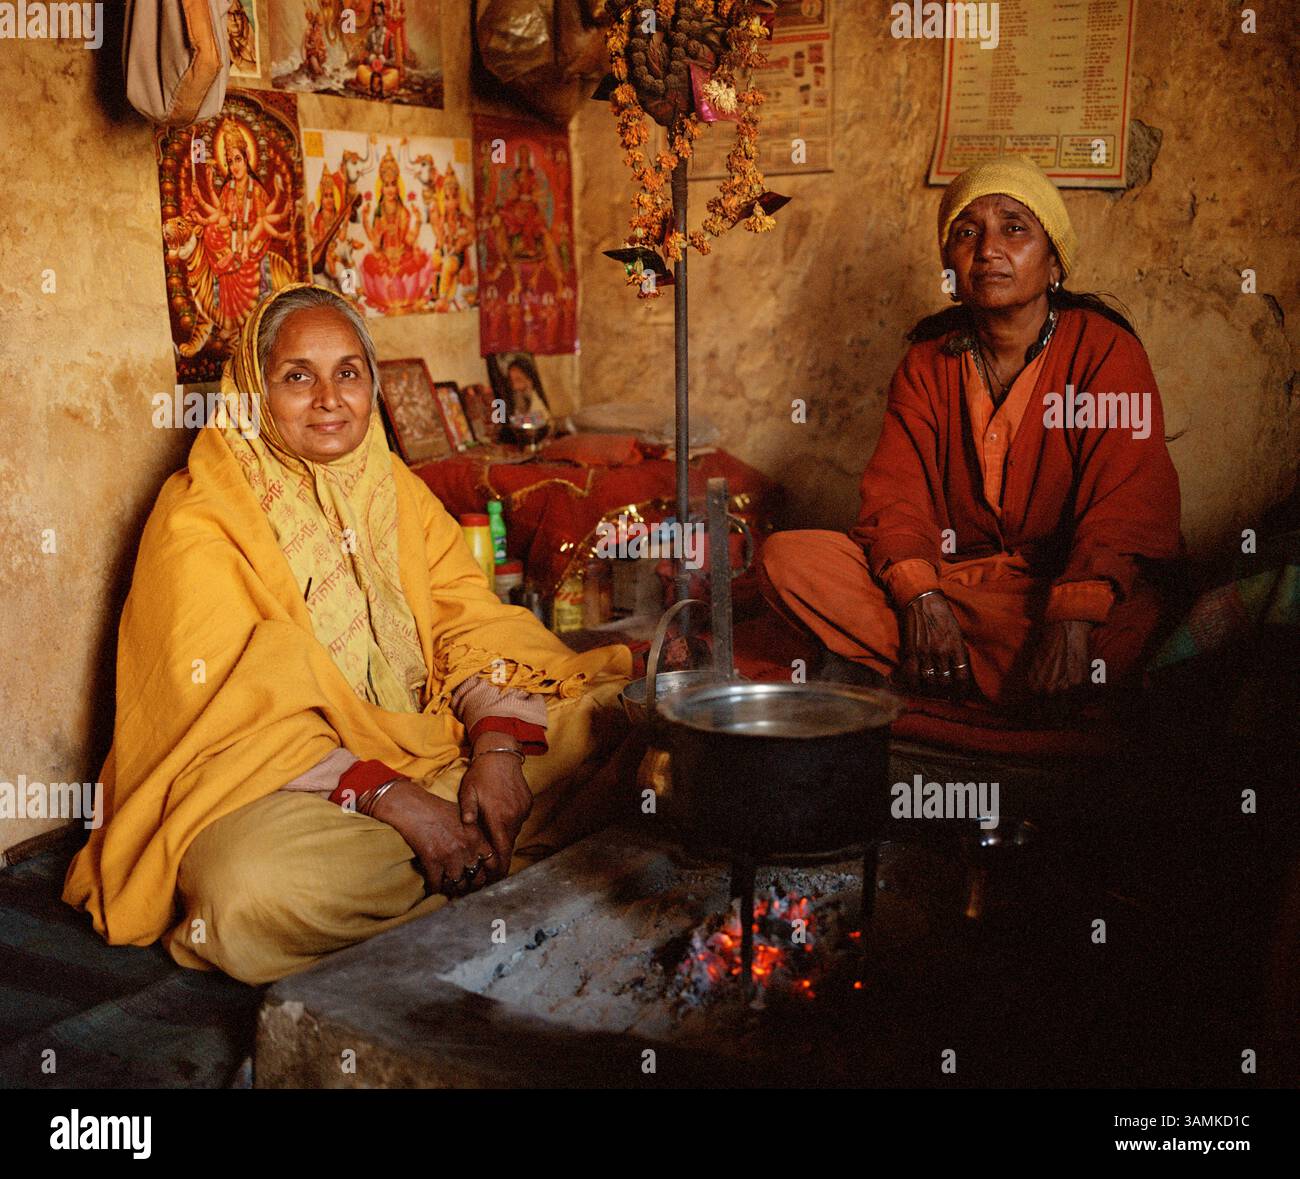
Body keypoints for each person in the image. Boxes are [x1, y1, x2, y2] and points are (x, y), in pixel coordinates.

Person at [63, 284, 634, 984]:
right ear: (253, 391)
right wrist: (389, 797)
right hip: (294, 785)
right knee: (243, 889)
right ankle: (482, 849)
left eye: (348, 372)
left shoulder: (393, 486)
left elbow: (467, 621)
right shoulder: (199, 517)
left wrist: (497, 748)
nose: (329, 398)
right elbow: (226, 719)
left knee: (619, 722)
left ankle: (467, 839)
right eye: (297, 376)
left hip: (435, 741)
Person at [759, 157, 1182, 715]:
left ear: (1054, 260)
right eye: (967, 233)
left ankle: (937, 665)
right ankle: (991, 671)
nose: (987, 250)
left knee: (1132, 623)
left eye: (1014, 228)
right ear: (950, 269)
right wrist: (922, 599)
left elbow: (1128, 509)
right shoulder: (926, 364)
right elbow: (896, 501)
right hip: (958, 581)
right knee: (788, 559)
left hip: (1062, 585)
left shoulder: (1104, 351)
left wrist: (1073, 615)